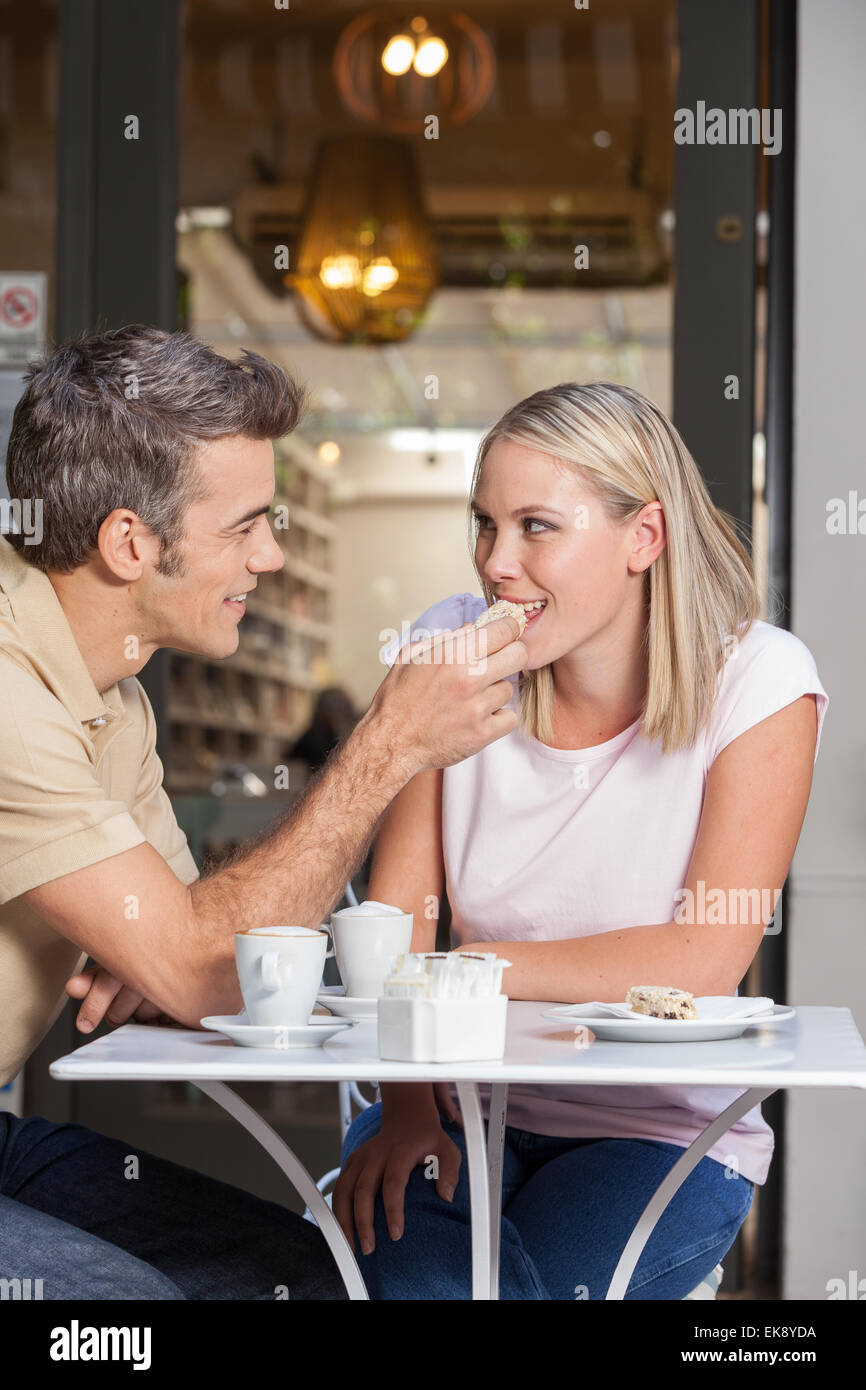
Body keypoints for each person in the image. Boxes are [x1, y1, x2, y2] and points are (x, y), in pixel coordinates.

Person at [0, 325, 526, 1300]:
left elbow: (203, 953)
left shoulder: (116, 695)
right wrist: (386, 745)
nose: (272, 555)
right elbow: (208, 962)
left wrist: (168, 947)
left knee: (301, 1275)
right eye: (245, 525)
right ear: (130, 543)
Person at [333, 380, 829, 1301]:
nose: (496, 563)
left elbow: (703, 958)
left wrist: (471, 963)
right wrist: (402, 1106)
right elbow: (401, 923)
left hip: (657, 1134)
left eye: (536, 527)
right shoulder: (450, 650)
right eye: (485, 524)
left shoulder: (760, 680)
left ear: (644, 537)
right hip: (449, 1101)